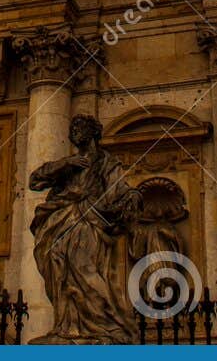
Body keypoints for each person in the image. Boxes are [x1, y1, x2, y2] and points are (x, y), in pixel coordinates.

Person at [28, 114, 142, 344]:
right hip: (61, 219)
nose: (75, 132)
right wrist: (65, 164)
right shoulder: (69, 163)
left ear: (92, 133)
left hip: (90, 220)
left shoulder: (105, 162)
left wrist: (131, 195)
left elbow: (118, 187)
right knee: (57, 265)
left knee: (83, 268)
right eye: (74, 128)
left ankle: (106, 323)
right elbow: (35, 181)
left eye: (80, 128)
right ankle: (67, 326)